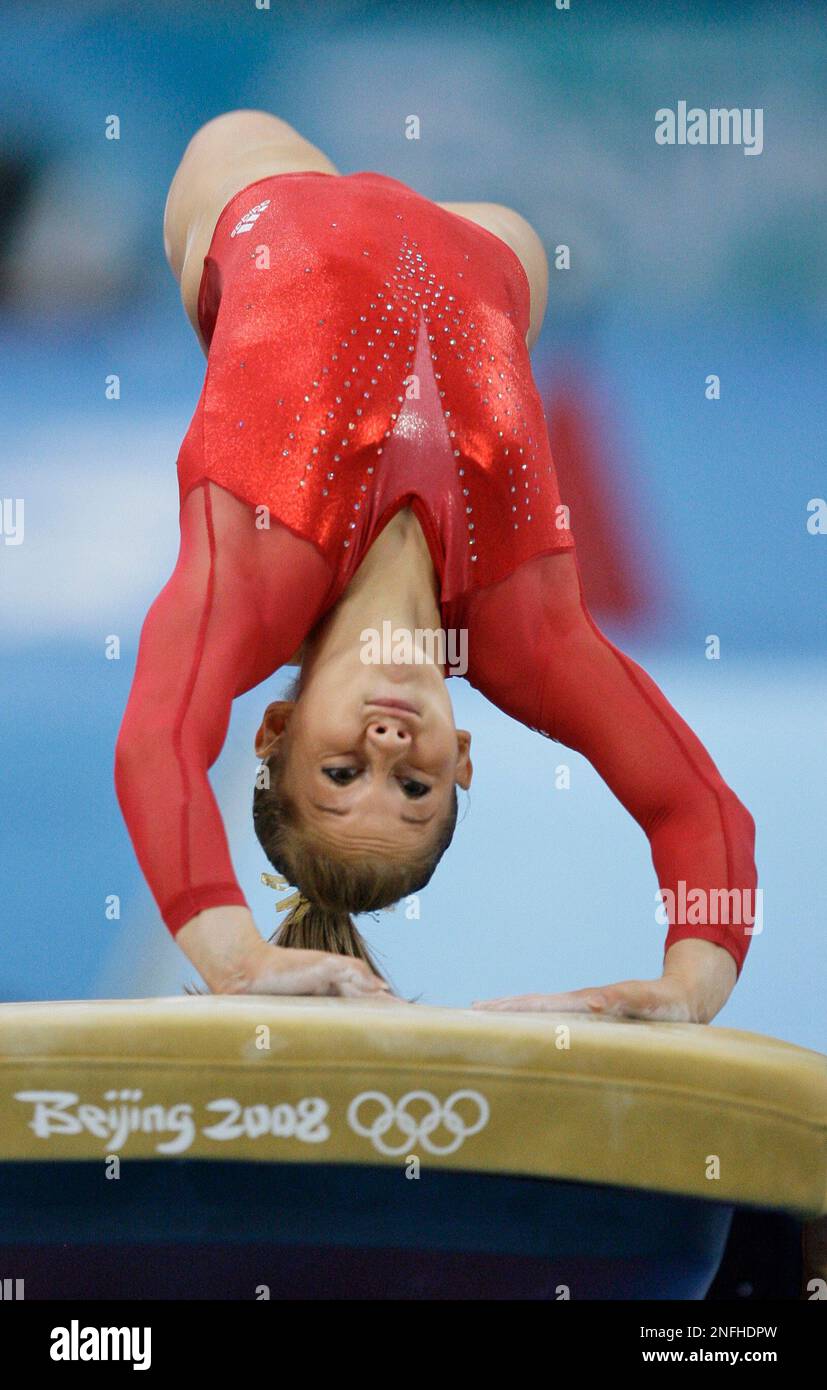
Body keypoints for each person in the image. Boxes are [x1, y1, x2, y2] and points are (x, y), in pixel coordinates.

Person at [115, 110, 757, 1021]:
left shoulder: (252, 576)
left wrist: (232, 955)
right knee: (513, 248)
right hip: (484, 252)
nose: (385, 751)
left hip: (264, 194)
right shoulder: (525, 633)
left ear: (275, 729)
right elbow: (697, 806)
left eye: (338, 775)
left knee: (231, 139)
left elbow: (155, 745)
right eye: (414, 788)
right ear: (460, 757)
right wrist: (690, 987)